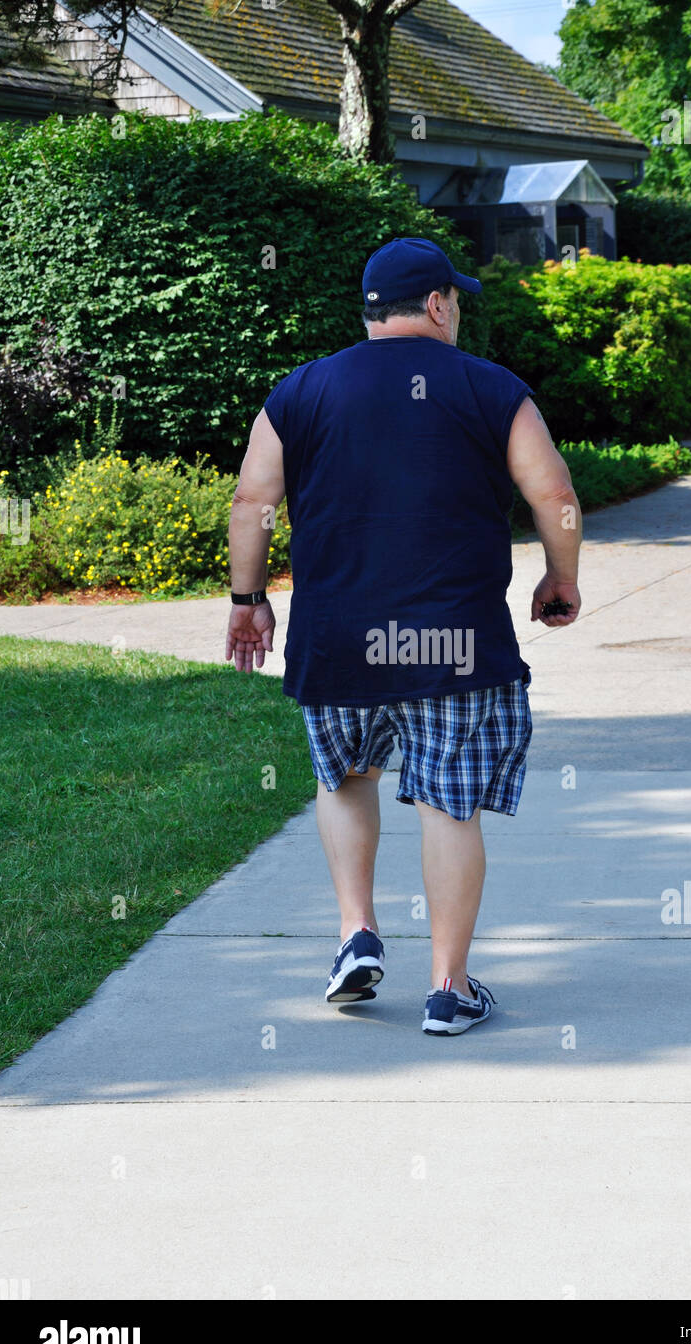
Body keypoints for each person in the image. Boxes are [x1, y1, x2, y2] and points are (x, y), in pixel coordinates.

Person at [226, 236, 582, 1035]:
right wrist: (560, 577)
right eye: (452, 299)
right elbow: (552, 489)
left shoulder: (300, 390)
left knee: (347, 779)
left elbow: (252, 502)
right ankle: (448, 989)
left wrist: (248, 598)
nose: (455, 310)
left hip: (338, 640)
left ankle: (356, 934)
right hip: (453, 645)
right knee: (449, 808)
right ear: (435, 304)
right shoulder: (492, 389)